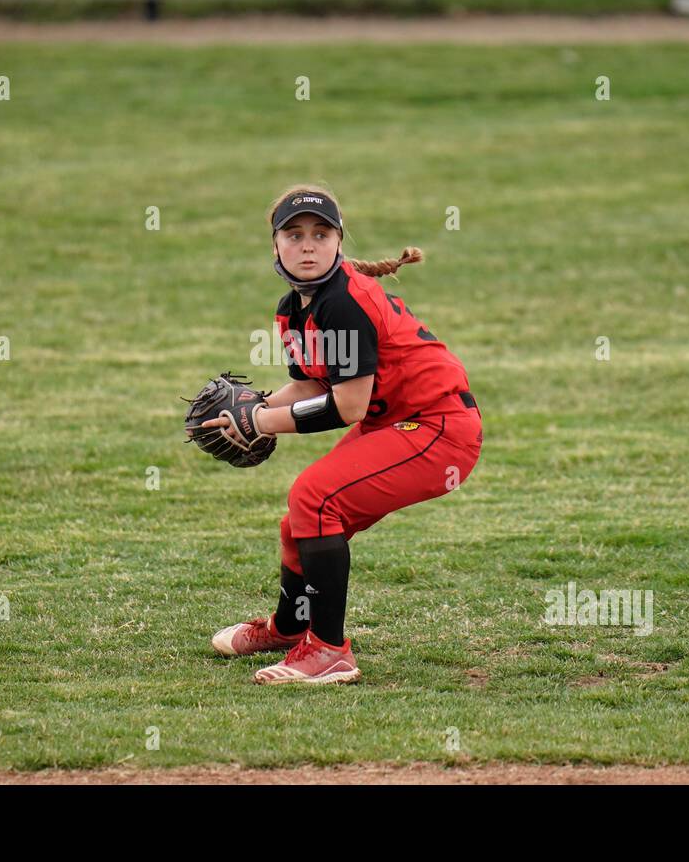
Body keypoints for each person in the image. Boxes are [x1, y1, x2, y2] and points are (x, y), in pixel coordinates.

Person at [206, 186, 483, 684]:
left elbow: (348, 405)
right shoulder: (293, 308)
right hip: (396, 423)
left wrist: (262, 424)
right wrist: (255, 409)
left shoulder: (344, 302)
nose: (307, 245)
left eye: (321, 233)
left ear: (339, 241)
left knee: (314, 496)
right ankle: (291, 628)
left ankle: (330, 650)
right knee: (299, 518)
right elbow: (312, 381)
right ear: (275, 246)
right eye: (294, 235)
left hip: (439, 429)